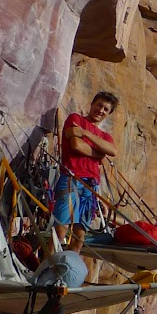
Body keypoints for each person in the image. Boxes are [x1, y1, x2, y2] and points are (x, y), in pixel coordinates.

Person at [54, 92, 120, 239]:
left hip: (91, 185)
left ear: (108, 114)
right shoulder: (75, 119)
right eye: (99, 105)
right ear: (92, 104)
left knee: (80, 234)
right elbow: (77, 145)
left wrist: (86, 133)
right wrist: (98, 154)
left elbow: (112, 150)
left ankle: (70, 259)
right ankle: (52, 259)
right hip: (72, 178)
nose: (101, 110)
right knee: (60, 229)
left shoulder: (104, 136)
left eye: (106, 109)